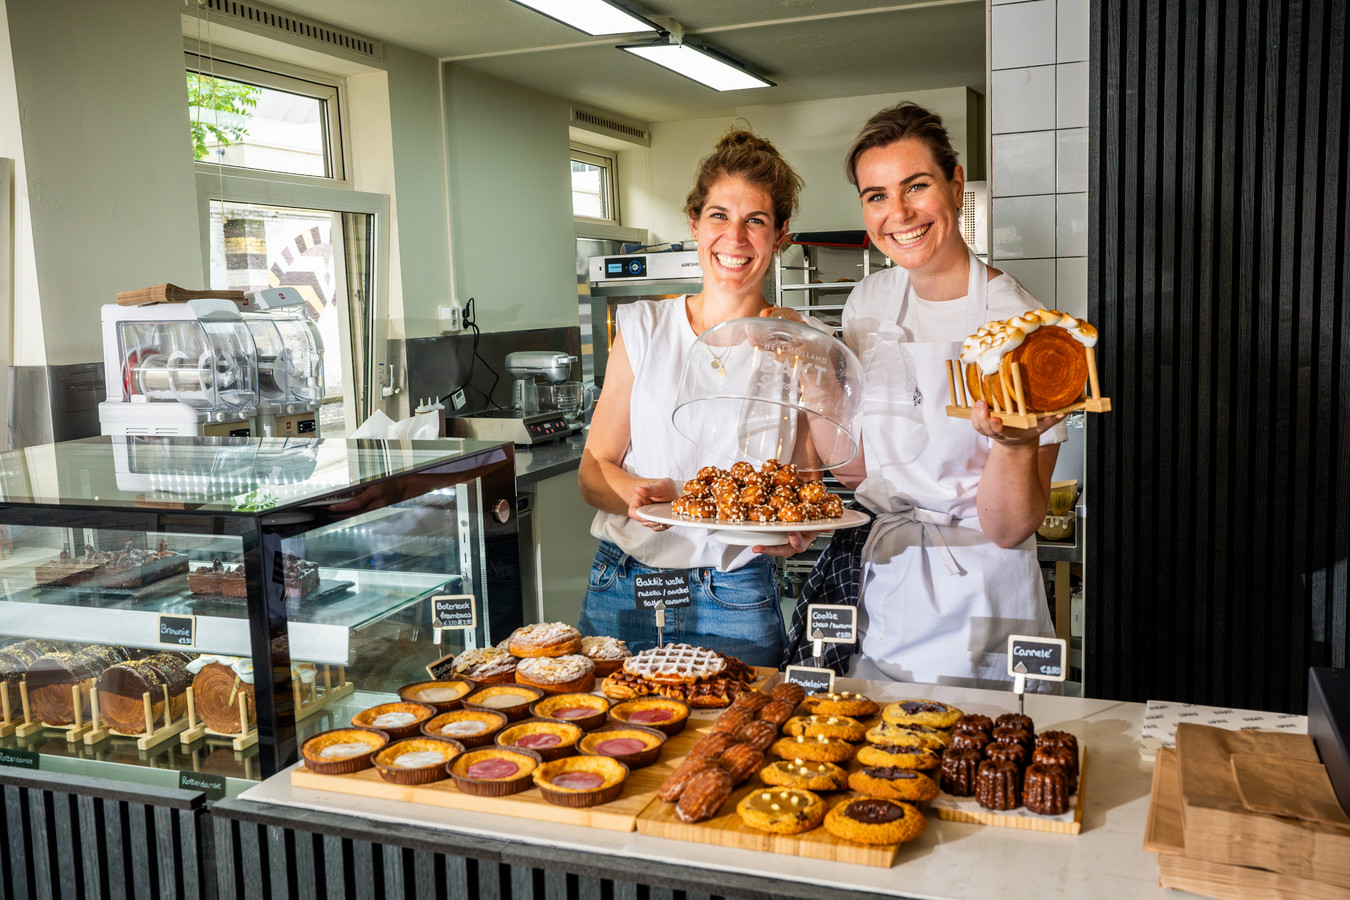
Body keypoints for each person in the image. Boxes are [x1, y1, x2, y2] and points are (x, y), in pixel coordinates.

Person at [784, 102, 1068, 687]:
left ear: (956, 185)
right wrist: (814, 379)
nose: (899, 213)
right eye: (877, 195)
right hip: (885, 582)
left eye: (917, 186)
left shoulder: (1024, 329)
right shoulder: (868, 302)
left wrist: (1015, 447)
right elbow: (866, 474)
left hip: (980, 597)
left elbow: (1011, 528)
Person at [576, 129, 816, 668]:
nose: (735, 237)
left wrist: (798, 530)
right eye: (718, 216)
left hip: (735, 592)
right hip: (624, 583)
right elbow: (594, 471)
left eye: (756, 221)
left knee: (735, 748)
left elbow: (800, 485)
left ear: (780, 236)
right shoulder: (643, 327)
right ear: (694, 224)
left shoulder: (799, 343)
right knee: (609, 745)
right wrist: (634, 494)